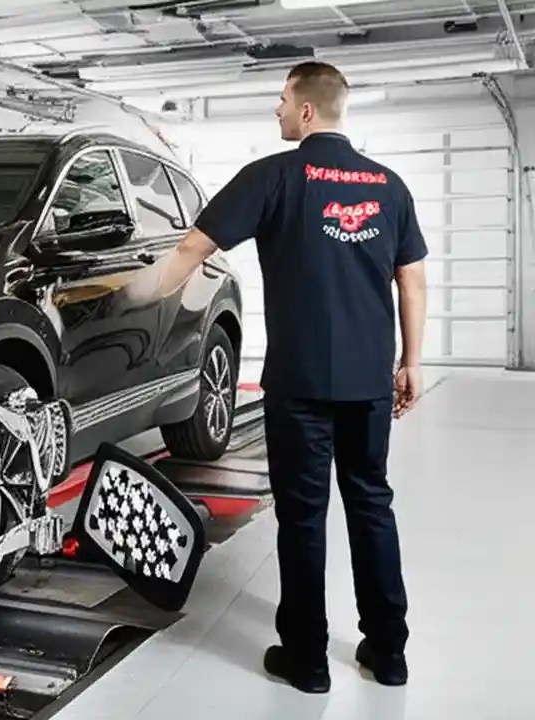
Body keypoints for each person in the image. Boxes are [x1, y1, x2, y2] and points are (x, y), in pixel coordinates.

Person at [125, 61, 428, 693]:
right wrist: (411, 362)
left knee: (304, 514)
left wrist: (133, 300)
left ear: (308, 111)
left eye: (283, 102)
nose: (278, 113)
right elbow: (412, 279)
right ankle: (389, 652)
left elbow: (190, 250)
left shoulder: (273, 177)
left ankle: (308, 659)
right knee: (372, 504)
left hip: (299, 382)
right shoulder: (389, 186)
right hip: (369, 379)